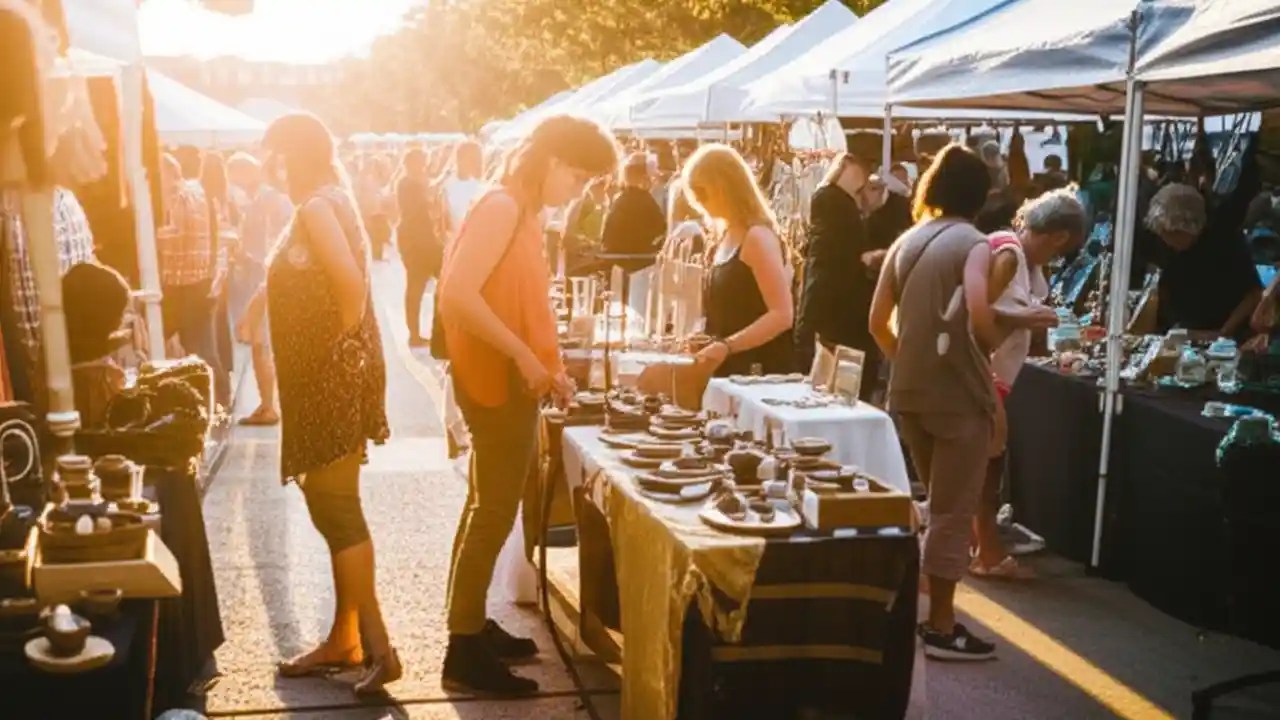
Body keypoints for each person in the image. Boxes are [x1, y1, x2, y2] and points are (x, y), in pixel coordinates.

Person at [438, 115, 618, 695]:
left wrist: (548, 365)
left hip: (508, 379)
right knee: (492, 510)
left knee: (484, 506)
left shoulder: (519, 208)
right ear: (552, 162)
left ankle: (467, 623)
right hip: (494, 380)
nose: (580, 189)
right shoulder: (502, 206)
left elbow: (519, 299)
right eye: (580, 175)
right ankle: (462, 647)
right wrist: (522, 356)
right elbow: (457, 294)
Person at [262, 113, 399, 695]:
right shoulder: (328, 199)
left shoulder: (317, 206)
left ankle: (378, 644)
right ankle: (344, 639)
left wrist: (337, 351)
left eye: (272, 155)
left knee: (337, 508)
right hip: (327, 377)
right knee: (329, 504)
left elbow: (350, 284)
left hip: (329, 378)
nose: (268, 166)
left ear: (289, 157)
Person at [868, 143, 1001, 661]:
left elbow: (876, 322)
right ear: (980, 193)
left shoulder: (906, 241)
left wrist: (908, 358)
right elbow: (977, 306)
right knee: (952, 508)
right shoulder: (975, 242)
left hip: (909, 391)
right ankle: (941, 626)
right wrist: (999, 334)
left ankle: (919, 611)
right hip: (958, 392)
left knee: (934, 502)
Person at [972, 187, 1087, 579]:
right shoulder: (1008, 255)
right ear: (1057, 237)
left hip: (988, 374)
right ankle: (986, 553)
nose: (1055, 257)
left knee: (984, 461)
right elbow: (975, 315)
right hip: (980, 372)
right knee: (988, 461)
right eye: (1059, 249)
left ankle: (980, 546)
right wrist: (1027, 320)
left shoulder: (1019, 259)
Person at [683, 143, 795, 377]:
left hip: (759, 372)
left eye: (701, 191)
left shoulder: (757, 237)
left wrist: (727, 346)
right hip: (729, 370)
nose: (697, 200)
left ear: (724, 187)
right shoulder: (723, 237)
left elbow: (782, 315)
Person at [795, 152, 886, 387]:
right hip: (842, 312)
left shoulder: (835, 201)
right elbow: (835, 259)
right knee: (845, 388)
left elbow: (833, 258)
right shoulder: (834, 201)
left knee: (838, 385)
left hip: (836, 312)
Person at [1147, 183, 1262, 341]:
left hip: (1226, 337)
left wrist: (1223, 332)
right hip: (1186, 332)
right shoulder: (1169, 248)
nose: (1168, 242)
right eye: (1164, 235)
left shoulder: (1226, 242)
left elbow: (1253, 293)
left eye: (1173, 234)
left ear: (1190, 227)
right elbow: (1165, 287)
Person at [229, 152, 293, 426]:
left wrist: (245, 256)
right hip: (265, 275)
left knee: (261, 343)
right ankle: (270, 403)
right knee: (261, 342)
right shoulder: (266, 199)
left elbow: (269, 243)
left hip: (265, 277)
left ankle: (269, 405)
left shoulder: (268, 200)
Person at [157, 152, 226, 404]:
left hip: (180, 284)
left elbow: (175, 234)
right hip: (201, 281)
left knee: (163, 340)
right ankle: (219, 398)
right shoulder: (200, 192)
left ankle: (212, 399)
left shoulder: (177, 197)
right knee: (202, 345)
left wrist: (148, 237)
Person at [395, 148, 442, 348]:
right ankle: (414, 334)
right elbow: (422, 203)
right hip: (416, 241)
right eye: (421, 163)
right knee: (416, 288)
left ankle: (435, 332)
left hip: (426, 240)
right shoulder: (408, 184)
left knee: (440, 284)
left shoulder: (414, 183)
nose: (424, 167)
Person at [600, 152, 667, 266]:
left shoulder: (621, 198)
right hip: (638, 262)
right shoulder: (644, 200)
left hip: (617, 261)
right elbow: (661, 228)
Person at [441, 141, 485, 237]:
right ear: (461, 159)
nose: (478, 162)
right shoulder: (449, 186)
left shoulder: (480, 185)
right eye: (474, 158)